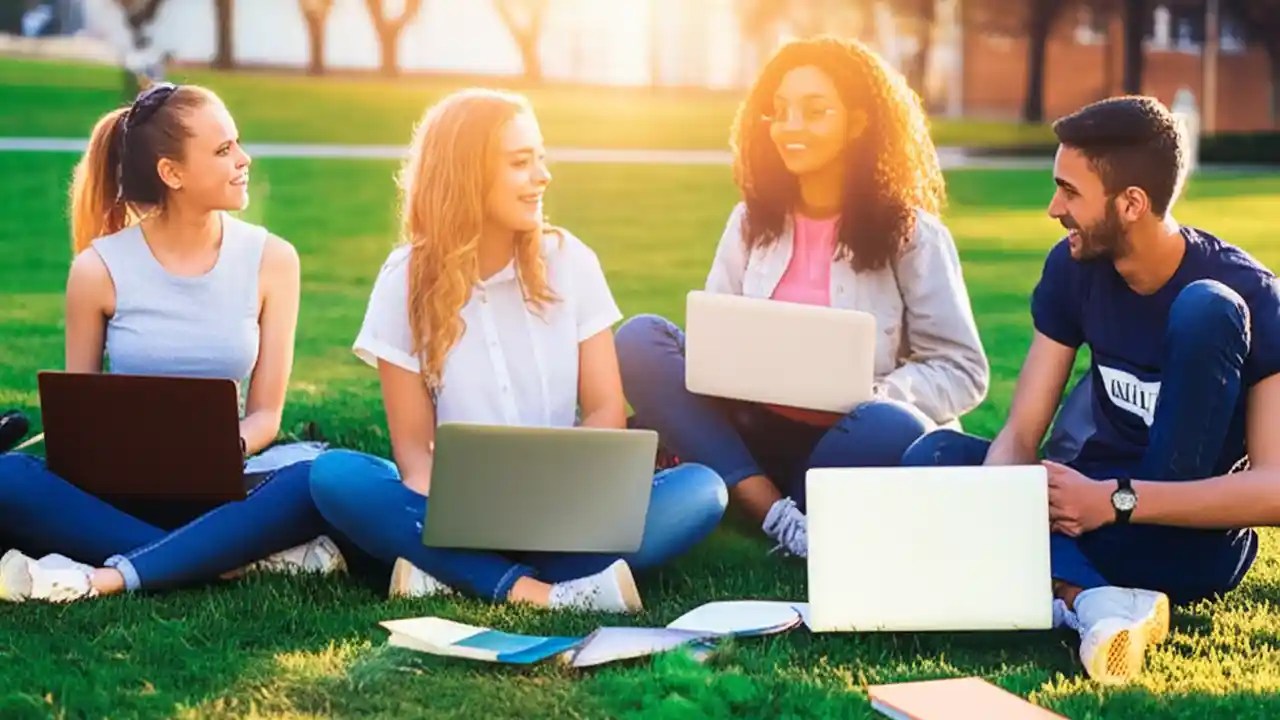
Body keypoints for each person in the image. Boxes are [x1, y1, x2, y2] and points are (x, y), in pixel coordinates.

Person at [902, 95, 1280, 684]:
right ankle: (1096, 600)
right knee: (933, 458)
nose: (1054, 208)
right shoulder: (1074, 268)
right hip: (1087, 512)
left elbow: (1274, 490)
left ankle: (1055, 584)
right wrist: (999, 503)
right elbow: (1022, 433)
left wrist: (1115, 501)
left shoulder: (1252, 294)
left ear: (1131, 204)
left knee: (1207, 308)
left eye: (1069, 192)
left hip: (1186, 534)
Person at [307, 88, 728, 613]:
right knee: (335, 477)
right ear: (467, 175)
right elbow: (413, 452)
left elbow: (604, 409)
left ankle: (451, 574)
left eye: (541, 159)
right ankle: (542, 590)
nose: (543, 176)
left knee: (701, 490)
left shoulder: (570, 260)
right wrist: (460, 514)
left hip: (567, 506)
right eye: (521, 163)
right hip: (458, 510)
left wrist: (567, 493)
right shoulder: (405, 280)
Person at [614, 37, 988, 557]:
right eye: (780, 112)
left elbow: (963, 370)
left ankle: (767, 503)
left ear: (858, 123)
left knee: (890, 423)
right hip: (755, 432)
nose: (791, 127)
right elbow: (713, 338)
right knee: (639, 338)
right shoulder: (750, 221)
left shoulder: (912, 234)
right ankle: (778, 514)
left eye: (814, 112)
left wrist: (878, 393)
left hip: (853, 437)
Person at [0, 83, 342, 604]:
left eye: (237, 144)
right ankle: (230, 560)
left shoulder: (273, 259)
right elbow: (78, 421)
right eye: (224, 150)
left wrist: (226, 448)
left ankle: (162, 556)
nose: (243, 160)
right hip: (121, 490)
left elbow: (266, 414)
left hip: (227, 485)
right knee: (8, 480)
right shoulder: (98, 269)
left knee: (325, 478)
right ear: (172, 172)